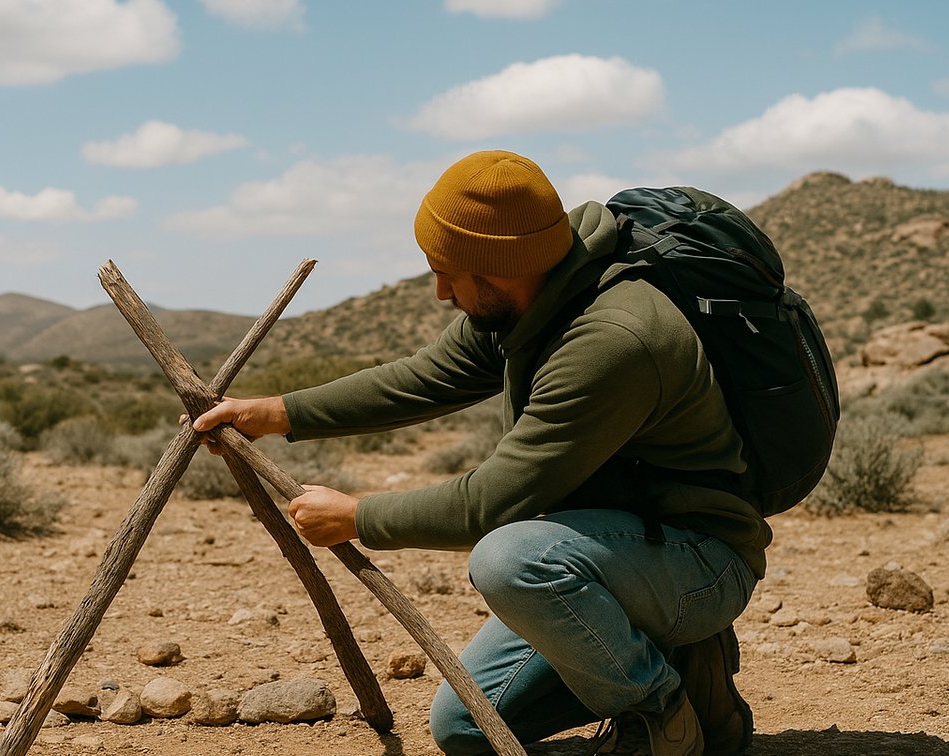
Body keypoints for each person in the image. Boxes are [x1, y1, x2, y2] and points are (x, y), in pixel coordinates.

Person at [192, 150, 766, 756]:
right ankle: (681, 665)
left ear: (498, 266)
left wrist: (358, 518)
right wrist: (275, 414)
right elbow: (422, 378)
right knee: (463, 729)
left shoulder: (612, 341)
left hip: (698, 558)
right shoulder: (533, 297)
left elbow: (494, 502)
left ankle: (659, 714)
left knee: (510, 559)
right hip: (611, 549)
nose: (440, 291)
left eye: (446, 270)